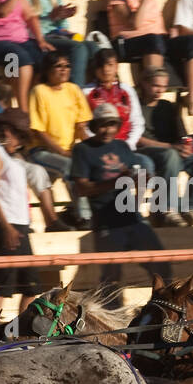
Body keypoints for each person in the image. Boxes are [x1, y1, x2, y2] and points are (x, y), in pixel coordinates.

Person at [71, 103, 171, 290]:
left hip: (132, 218)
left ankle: (162, 314)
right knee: (111, 280)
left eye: (111, 124)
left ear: (118, 126)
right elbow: (82, 188)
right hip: (106, 223)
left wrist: (143, 180)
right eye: (102, 124)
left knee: (162, 267)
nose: (107, 129)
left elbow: (130, 174)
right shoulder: (82, 149)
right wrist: (118, 181)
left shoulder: (122, 146)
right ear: (93, 127)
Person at [0, 61, 59, 229]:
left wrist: (10, 133)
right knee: (10, 169)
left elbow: (11, 133)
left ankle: (52, 220)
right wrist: (5, 131)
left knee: (36, 171)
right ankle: (13, 221)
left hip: (1, 153)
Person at [0, 108, 42, 312]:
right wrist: (6, 228)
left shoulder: (9, 155)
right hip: (5, 223)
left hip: (19, 223)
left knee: (31, 285)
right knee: (4, 283)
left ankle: (20, 335)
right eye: (19, 136)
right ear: (7, 131)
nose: (20, 142)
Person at [134, 67, 193, 227]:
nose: (160, 90)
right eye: (156, 86)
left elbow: (184, 135)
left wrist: (187, 147)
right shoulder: (135, 106)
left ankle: (192, 209)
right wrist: (170, 146)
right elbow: (136, 139)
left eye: (163, 86)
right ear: (144, 83)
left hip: (172, 152)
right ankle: (166, 209)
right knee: (170, 155)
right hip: (146, 152)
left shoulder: (168, 106)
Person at [28, 50, 92, 225]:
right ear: (48, 70)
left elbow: (81, 126)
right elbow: (39, 131)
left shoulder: (73, 89)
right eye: (59, 66)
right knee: (71, 166)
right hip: (41, 150)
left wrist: (92, 150)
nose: (64, 70)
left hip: (68, 150)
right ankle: (84, 216)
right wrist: (63, 152)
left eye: (67, 66)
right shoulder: (39, 91)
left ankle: (76, 211)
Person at [22, 0, 90, 88]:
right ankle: (76, 93)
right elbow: (24, 23)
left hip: (56, 36)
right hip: (37, 38)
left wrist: (63, 18)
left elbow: (61, 26)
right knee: (78, 49)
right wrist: (50, 18)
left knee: (92, 46)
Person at [107, 0, 168, 86]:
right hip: (128, 42)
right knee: (154, 41)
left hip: (155, 40)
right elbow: (134, 24)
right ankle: (152, 86)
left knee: (186, 43)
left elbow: (159, 28)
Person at [82, 49, 145, 157]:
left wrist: (128, 144)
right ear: (95, 68)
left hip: (127, 147)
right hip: (99, 149)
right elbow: (85, 126)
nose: (105, 69)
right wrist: (99, 145)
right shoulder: (86, 92)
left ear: (116, 67)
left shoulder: (127, 90)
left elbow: (137, 122)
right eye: (101, 66)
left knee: (144, 165)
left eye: (110, 65)